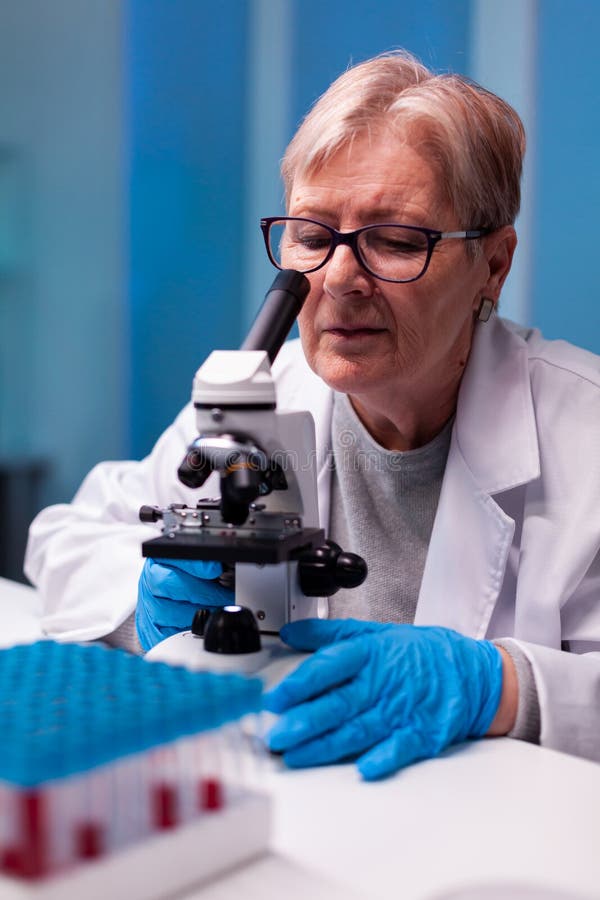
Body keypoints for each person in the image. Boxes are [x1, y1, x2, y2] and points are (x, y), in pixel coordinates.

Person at [25, 51, 600, 780]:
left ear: (493, 263)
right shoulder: (272, 391)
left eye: (396, 241)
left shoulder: (586, 437)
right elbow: (64, 538)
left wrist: (504, 687)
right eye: (313, 235)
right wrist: (142, 602)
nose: (338, 280)